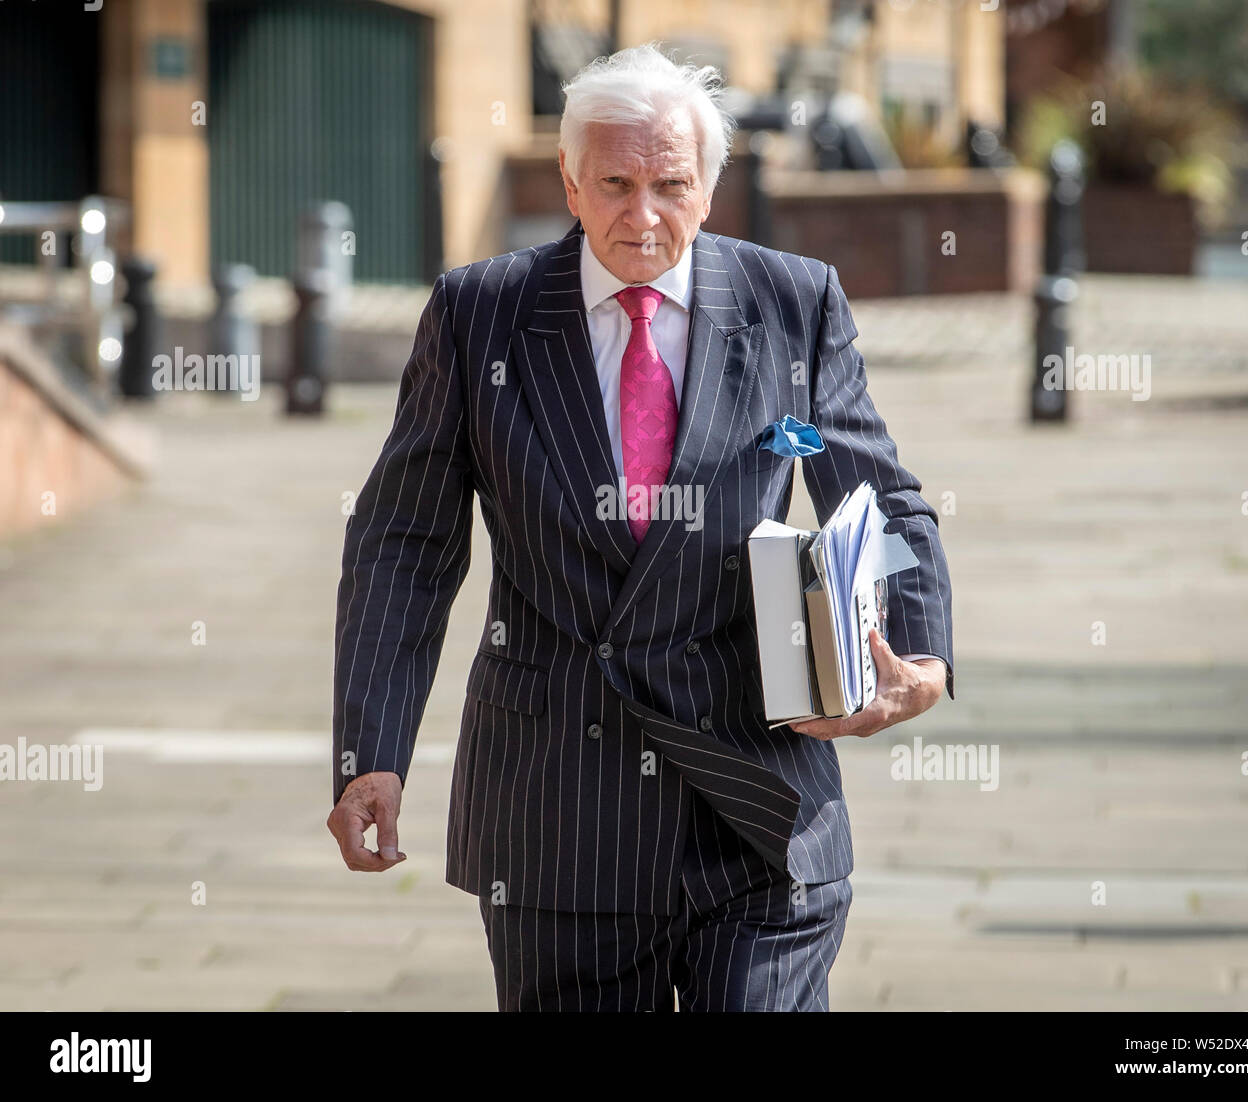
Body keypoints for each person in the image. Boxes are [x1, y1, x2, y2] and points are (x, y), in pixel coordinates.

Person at [327, 43, 954, 1012]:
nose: (644, 216)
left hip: (757, 798)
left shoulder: (793, 301)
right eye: (614, 184)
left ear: (710, 184)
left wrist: (921, 658)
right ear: (570, 183)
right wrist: (371, 750)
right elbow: (404, 541)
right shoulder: (479, 313)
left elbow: (884, 501)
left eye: (671, 184)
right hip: (557, 813)